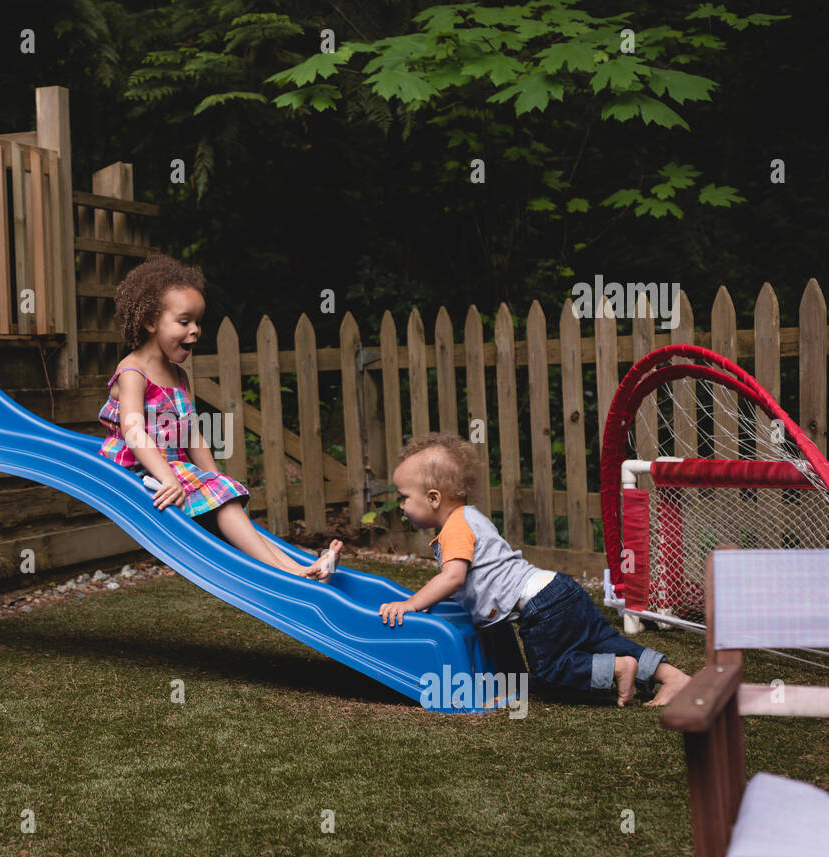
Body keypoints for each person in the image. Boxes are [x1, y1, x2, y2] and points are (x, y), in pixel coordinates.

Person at [377, 432, 691, 706]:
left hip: (542, 607)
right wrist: (510, 682)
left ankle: (618, 669)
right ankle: (673, 677)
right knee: (602, 640)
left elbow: (453, 577)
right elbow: (493, 621)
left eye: (404, 498)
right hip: (557, 589)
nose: (401, 506)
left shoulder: (455, 528)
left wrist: (411, 603)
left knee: (550, 672)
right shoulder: (470, 517)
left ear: (433, 498)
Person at [97, 255, 343, 581]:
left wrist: (214, 479)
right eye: (184, 322)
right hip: (140, 469)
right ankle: (293, 572)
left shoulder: (177, 375)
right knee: (223, 500)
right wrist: (168, 478)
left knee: (224, 497)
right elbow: (133, 430)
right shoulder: (133, 372)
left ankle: (298, 567)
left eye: (198, 322)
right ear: (151, 322)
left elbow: (191, 434)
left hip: (171, 468)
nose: (195, 331)